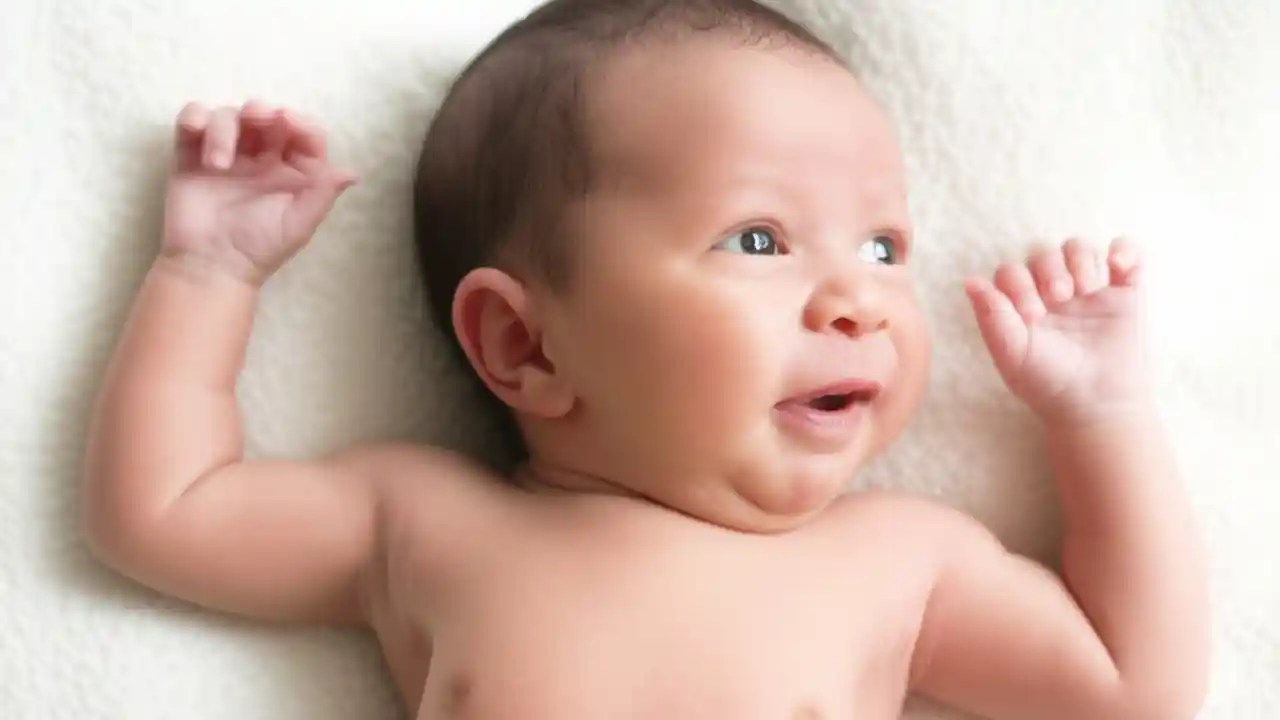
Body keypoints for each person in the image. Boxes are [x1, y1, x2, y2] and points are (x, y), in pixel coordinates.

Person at [82, 1, 1210, 717]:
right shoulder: (425, 521)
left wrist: (1098, 417)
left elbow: (1134, 685)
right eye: (759, 239)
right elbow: (163, 514)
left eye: (883, 245)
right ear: (523, 344)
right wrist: (207, 276)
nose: (857, 297)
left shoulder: (902, 561)